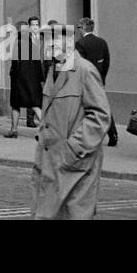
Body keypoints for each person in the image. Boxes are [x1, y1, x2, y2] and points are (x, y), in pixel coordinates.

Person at [30, 31, 111, 220]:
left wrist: (75, 147)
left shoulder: (84, 70)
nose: (49, 46)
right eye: (46, 41)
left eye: (54, 40)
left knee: (74, 214)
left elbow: (100, 115)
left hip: (75, 162)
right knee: (47, 212)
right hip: (50, 160)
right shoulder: (52, 70)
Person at [74, 18, 117, 146]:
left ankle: (86, 135)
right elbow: (107, 62)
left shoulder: (80, 43)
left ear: (82, 28)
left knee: (83, 107)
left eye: (78, 27)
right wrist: (102, 77)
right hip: (99, 79)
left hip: (86, 80)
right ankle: (112, 132)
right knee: (102, 106)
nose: (77, 30)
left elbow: (80, 64)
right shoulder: (102, 42)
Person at [6, 19, 44, 138]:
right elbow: (38, 64)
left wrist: (12, 73)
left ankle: (14, 129)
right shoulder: (32, 44)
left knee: (16, 104)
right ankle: (46, 128)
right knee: (34, 104)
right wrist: (40, 78)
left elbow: (16, 62)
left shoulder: (18, 43)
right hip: (33, 78)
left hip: (20, 79)